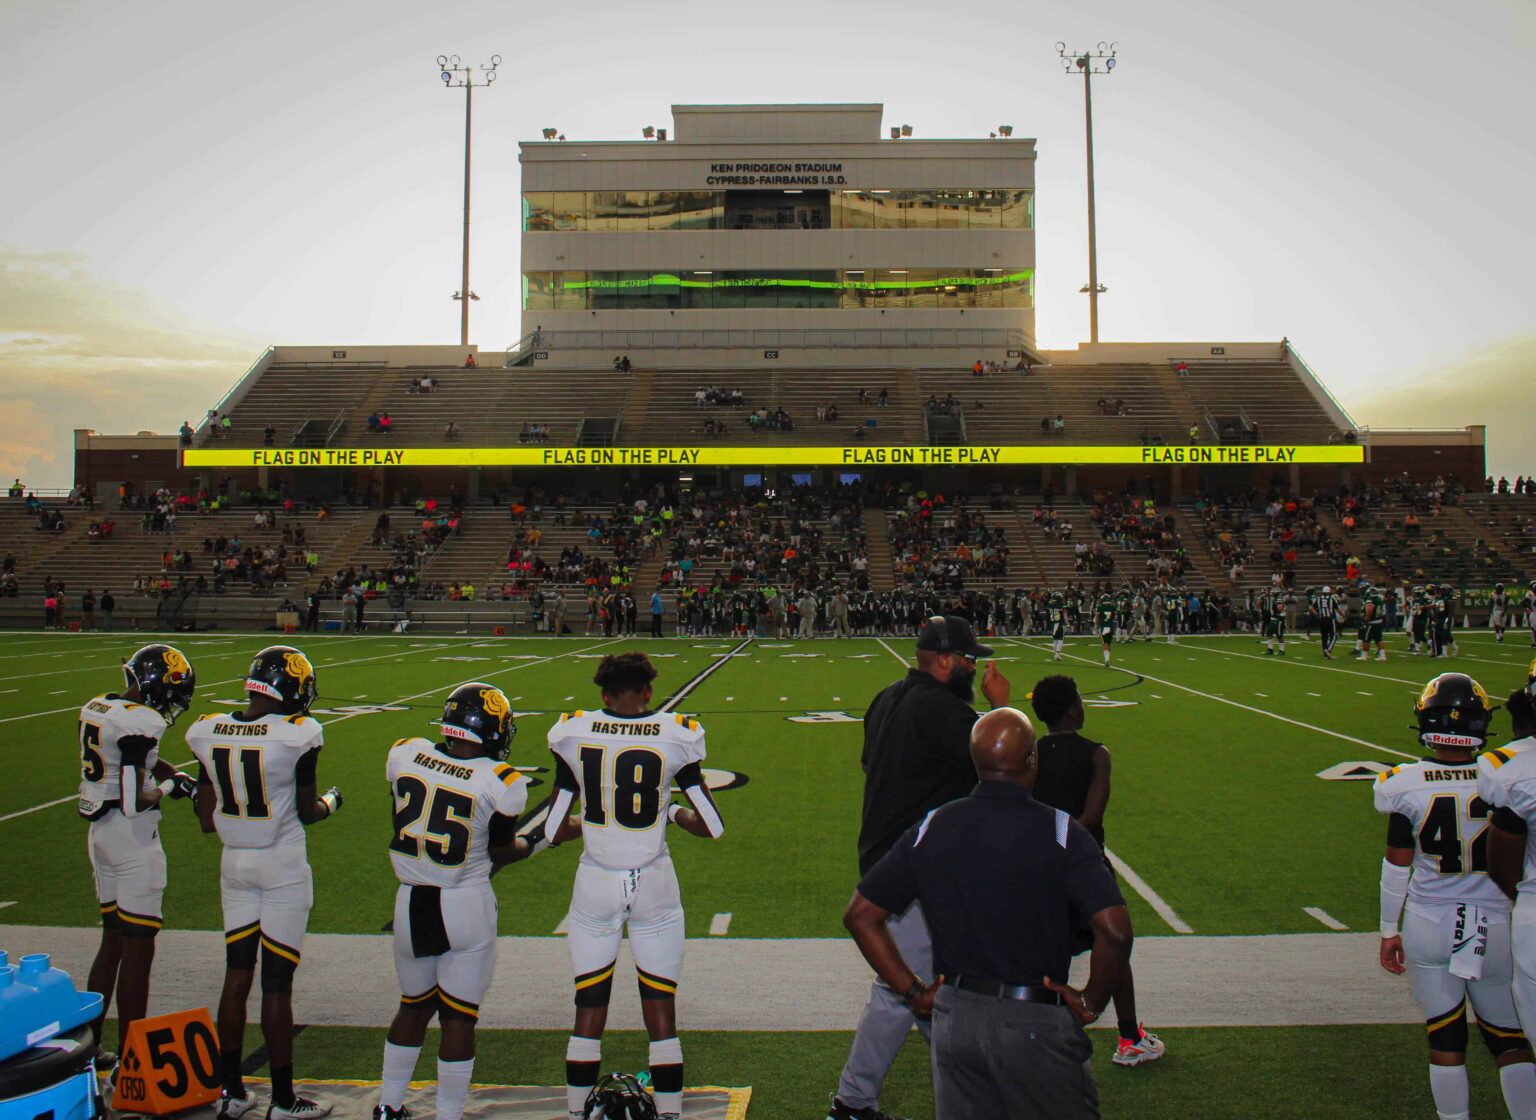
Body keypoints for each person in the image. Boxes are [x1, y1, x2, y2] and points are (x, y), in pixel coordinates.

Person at [844, 706, 1132, 1120]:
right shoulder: (1061, 830)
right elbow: (1116, 932)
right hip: (1034, 1018)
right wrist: (1090, 1002)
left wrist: (913, 993)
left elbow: (860, 916)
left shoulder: (934, 825)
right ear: (1032, 761)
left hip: (956, 1021)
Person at [828, 615, 1010, 1120]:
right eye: (971, 660)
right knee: (900, 987)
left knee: (935, 982)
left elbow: (869, 764)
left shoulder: (888, 695)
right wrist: (1002, 707)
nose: (976, 668)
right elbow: (1007, 766)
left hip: (888, 854)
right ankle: (852, 1102)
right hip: (914, 866)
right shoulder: (944, 710)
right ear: (947, 660)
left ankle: (966, 1077)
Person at [544, 653, 726, 1120]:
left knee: (589, 1006)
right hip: (655, 885)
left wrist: (590, 823)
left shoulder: (573, 732)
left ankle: (574, 1113)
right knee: (661, 1011)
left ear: (603, 695)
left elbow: (550, 829)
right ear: (648, 691)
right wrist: (668, 812)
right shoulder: (676, 735)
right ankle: (668, 1115)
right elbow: (711, 825)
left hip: (596, 883)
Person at [373, 683, 545, 1120]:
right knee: (458, 1017)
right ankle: (448, 1114)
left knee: (412, 1006)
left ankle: (388, 1105)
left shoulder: (405, 752)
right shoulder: (502, 781)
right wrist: (535, 843)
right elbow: (501, 852)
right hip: (464, 902)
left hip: (411, 898)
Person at [187, 647, 342, 1120]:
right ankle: (281, 1098)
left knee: (236, 978)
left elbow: (206, 821)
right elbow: (306, 811)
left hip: (234, 864)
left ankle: (229, 1092)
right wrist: (334, 802)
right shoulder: (299, 733)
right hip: (281, 864)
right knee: (276, 985)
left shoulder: (207, 730)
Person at [1378, 674, 1536, 1120]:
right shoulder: (1502, 775)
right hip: (1498, 921)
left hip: (1429, 919)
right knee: (1509, 1036)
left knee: (1445, 1035)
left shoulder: (1403, 783)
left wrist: (1389, 929)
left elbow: (1396, 864)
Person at [1029, 676, 1164, 1065]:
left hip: (1042, 864)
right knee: (1113, 945)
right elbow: (1091, 815)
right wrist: (1064, 842)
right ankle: (1128, 1037)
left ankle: (1039, 1033)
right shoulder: (1096, 754)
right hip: (1084, 864)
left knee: (1045, 949)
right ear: (1073, 709)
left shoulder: (1033, 754)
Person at [79, 645, 199, 1072]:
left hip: (100, 835)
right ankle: (133, 1061)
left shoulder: (101, 705)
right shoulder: (141, 720)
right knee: (138, 950)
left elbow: (131, 755)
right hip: (132, 839)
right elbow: (135, 799)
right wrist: (172, 789)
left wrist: (167, 770)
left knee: (111, 940)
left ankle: (88, 1049)